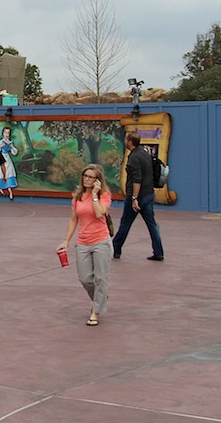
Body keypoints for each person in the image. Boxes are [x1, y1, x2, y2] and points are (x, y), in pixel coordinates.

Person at [57, 163, 113, 326]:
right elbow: (73, 219)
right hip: (82, 242)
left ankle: (95, 312)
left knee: (100, 278)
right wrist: (66, 240)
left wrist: (95, 194)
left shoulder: (104, 195)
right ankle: (100, 298)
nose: (87, 179)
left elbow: (98, 212)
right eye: (85, 176)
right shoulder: (77, 197)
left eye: (91, 177)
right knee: (85, 279)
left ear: (98, 180)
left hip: (101, 241)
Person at [112, 132, 165, 261]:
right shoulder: (145, 153)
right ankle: (158, 252)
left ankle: (116, 248)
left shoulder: (134, 158)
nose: (125, 141)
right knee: (152, 224)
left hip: (137, 196)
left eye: (126, 139)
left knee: (125, 223)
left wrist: (134, 199)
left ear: (130, 142)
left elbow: (137, 180)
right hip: (148, 194)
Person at [0, 127, 19, 200]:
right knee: (2, 173)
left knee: (9, 172)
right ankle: (0, 189)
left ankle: (10, 191)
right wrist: (1, 146)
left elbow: (15, 152)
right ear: (3, 133)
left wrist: (12, 147)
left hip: (7, 159)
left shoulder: (10, 142)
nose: (7, 134)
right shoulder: (1, 142)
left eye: (8, 133)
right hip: (2, 158)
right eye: (5, 133)